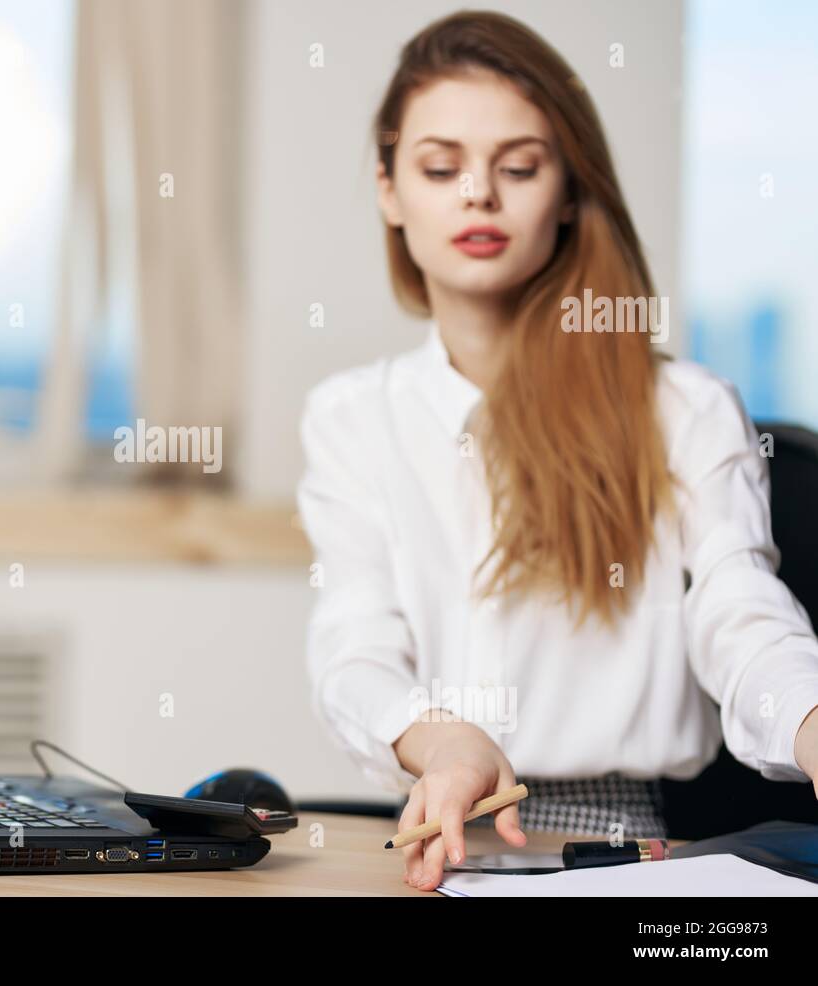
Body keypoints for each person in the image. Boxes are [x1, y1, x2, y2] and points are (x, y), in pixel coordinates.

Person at [296, 10, 818, 893]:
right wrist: (443, 742)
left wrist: (810, 720)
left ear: (570, 191)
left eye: (519, 167)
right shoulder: (350, 417)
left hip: (634, 854)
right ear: (390, 190)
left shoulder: (685, 409)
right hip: (440, 842)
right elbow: (354, 647)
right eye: (440, 166)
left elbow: (741, 613)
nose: (477, 195)